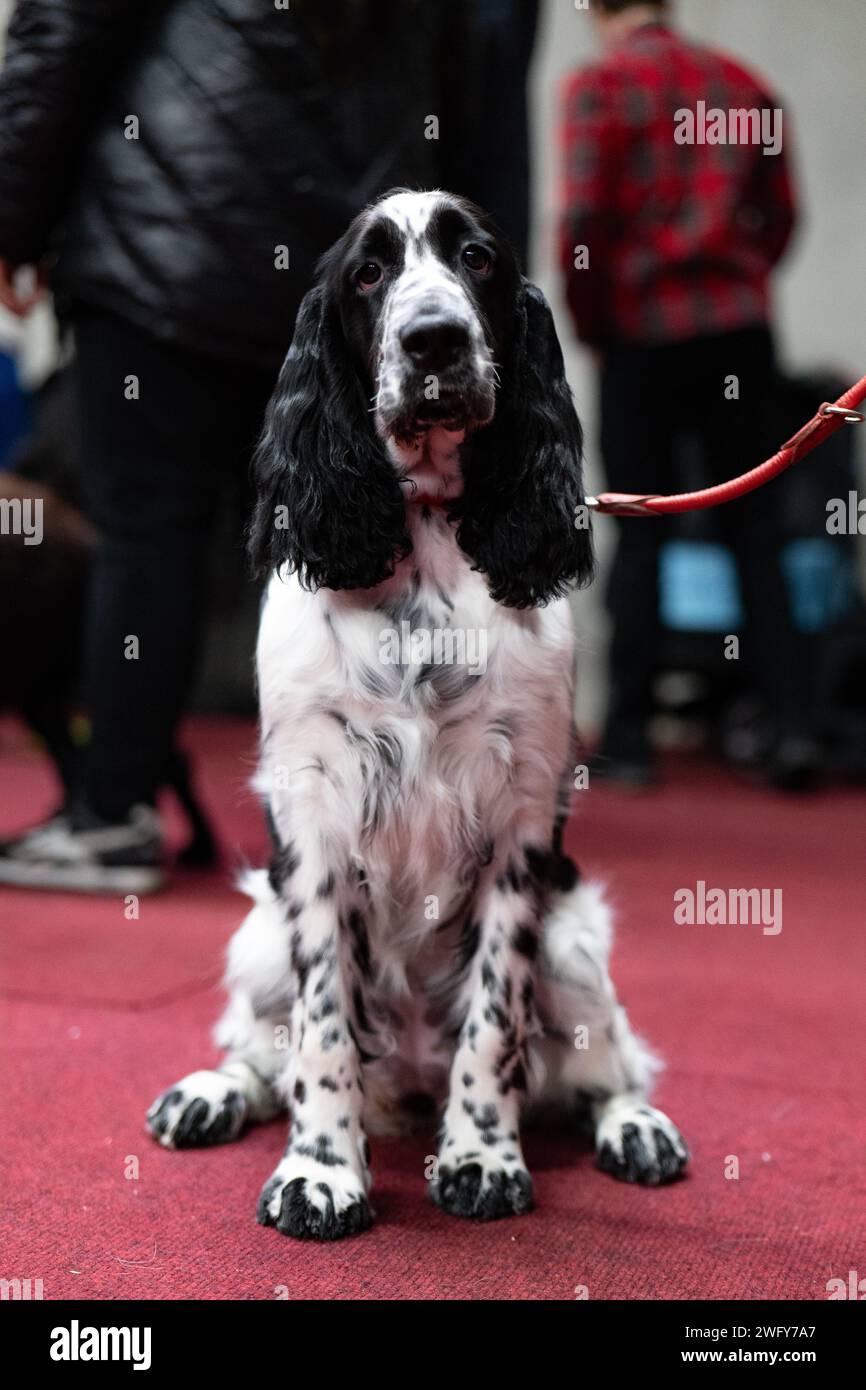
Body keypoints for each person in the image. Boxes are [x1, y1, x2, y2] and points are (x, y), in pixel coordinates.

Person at [0, 0, 539, 892]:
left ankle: (113, 814)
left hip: (167, 230)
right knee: (345, 533)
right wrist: (484, 281)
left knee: (149, 534)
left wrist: (13, 214)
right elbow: (483, 71)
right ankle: (361, 827)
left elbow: (65, 28)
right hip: (353, 255)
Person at [560, 0, 817, 788]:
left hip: (641, 334)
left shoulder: (599, 87)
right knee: (756, 529)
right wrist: (738, 279)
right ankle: (792, 731)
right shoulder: (743, 85)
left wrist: (592, 325)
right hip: (737, 331)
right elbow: (782, 214)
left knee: (641, 529)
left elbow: (582, 225)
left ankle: (631, 741)